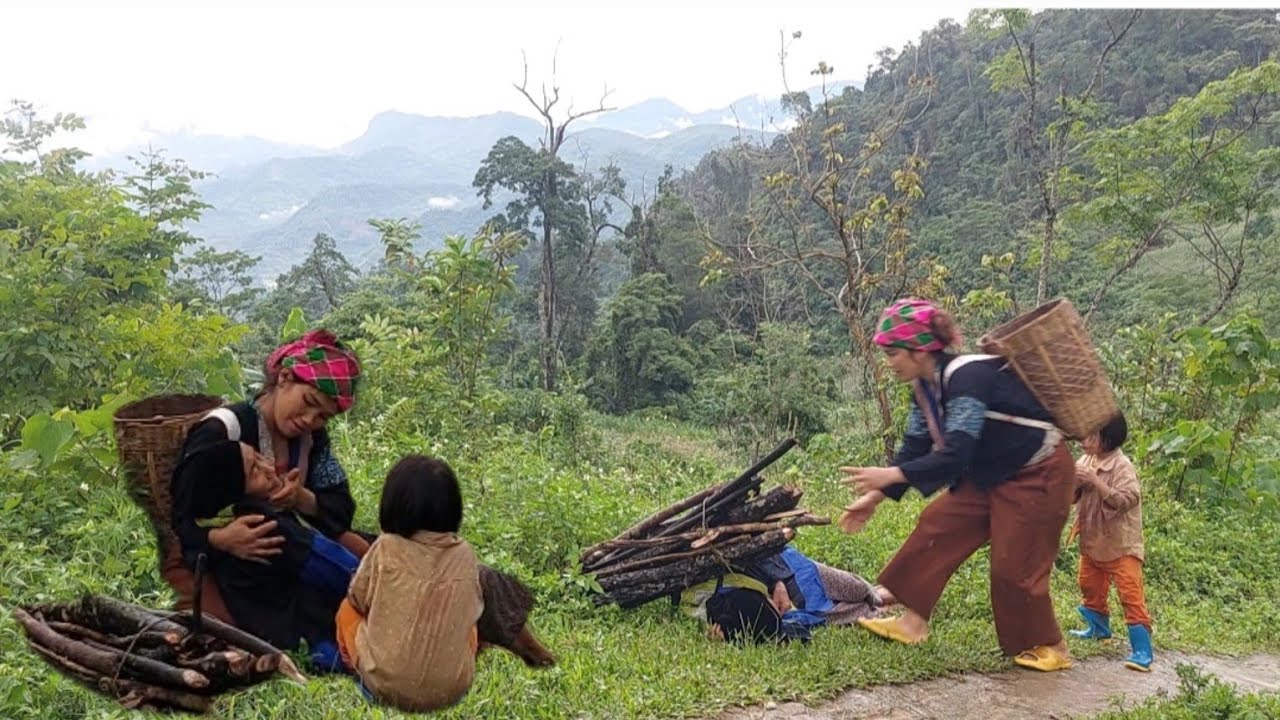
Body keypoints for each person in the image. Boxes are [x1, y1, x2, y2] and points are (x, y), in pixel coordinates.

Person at [838, 298, 1076, 672]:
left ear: (919, 350)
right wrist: (875, 496)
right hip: (989, 475)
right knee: (938, 525)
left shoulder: (968, 377)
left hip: (1037, 472)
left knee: (1015, 563)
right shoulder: (925, 389)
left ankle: (1052, 646)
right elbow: (914, 447)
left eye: (893, 353)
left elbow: (957, 451)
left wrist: (892, 476)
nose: (889, 363)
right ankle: (913, 623)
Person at [336, 455, 484, 712]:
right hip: (452, 690)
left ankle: (357, 670)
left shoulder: (386, 547)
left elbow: (357, 599)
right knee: (469, 626)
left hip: (384, 687)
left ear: (393, 504)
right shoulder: (464, 554)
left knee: (346, 610)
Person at [1068, 412, 1153, 672]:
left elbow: (1127, 499)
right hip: (1094, 540)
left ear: (1108, 438)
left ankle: (1142, 649)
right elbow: (1072, 497)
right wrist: (1074, 482)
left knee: (1130, 594)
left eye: (1090, 436)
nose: (1083, 440)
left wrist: (1095, 481)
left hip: (1121, 545)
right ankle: (1098, 628)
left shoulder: (1122, 466)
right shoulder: (1085, 460)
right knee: (1089, 584)